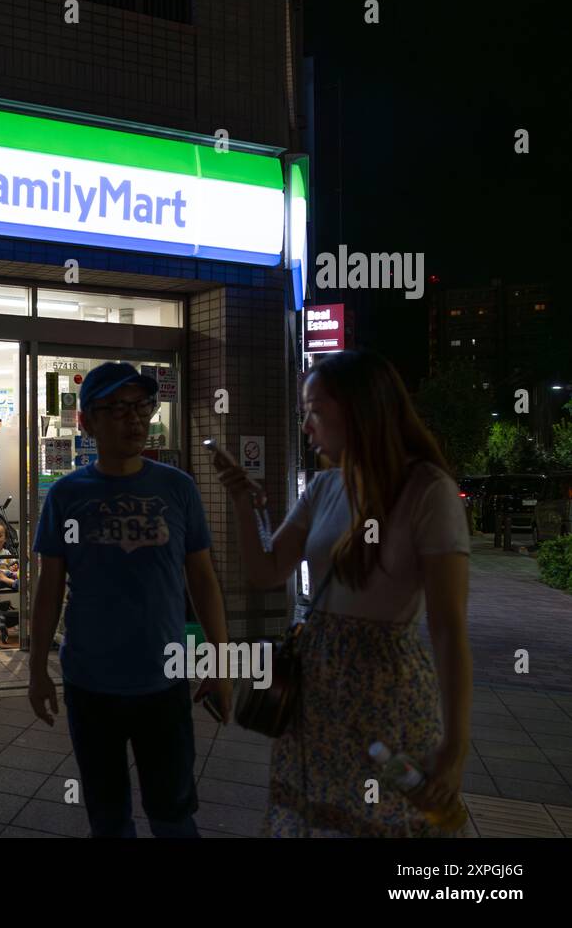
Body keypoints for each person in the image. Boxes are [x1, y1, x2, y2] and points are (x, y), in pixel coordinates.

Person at [215, 349, 472, 837]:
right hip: (317, 683)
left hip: (387, 689)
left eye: (314, 409)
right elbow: (267, 570)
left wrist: (455, 747)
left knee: (381, 820)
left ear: (358, 408)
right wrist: (242, 503)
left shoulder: (427, 490)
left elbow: (448, 627)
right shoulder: (325, 487)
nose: (306, 424)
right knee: (308, 816)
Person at [28, 363, 231, 838]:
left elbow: (202, 579)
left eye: (142, 407)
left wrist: (221, 664)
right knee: (108, 814)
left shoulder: (176, 487)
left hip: (164, 680)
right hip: (89, 681)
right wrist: (38, 669)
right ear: (86, 422)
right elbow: (49, 587)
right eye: (117, 409)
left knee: (173, 811)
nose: (134, 419)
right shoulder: (66, 495)